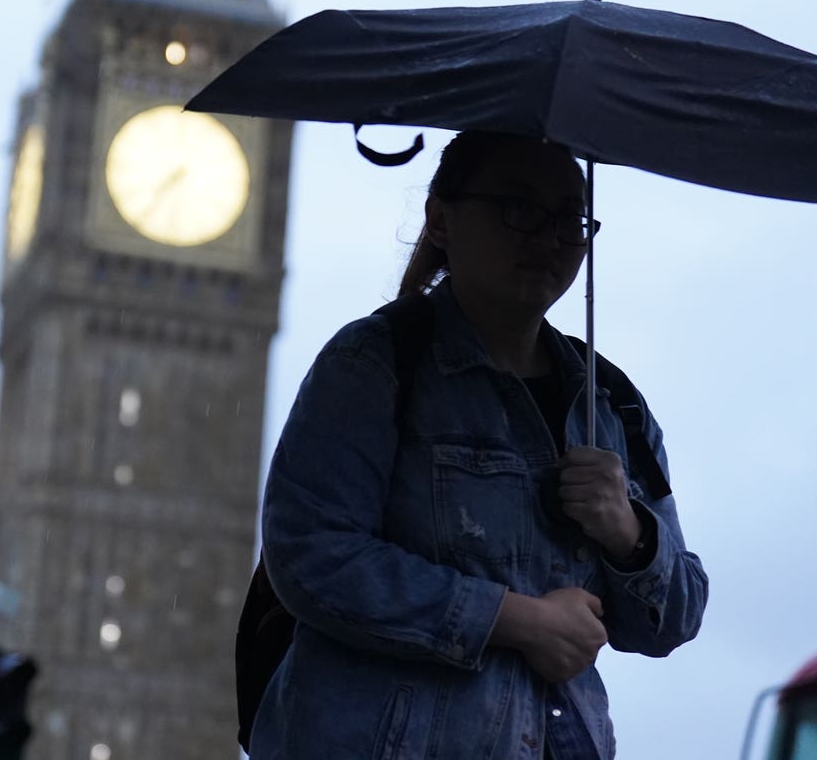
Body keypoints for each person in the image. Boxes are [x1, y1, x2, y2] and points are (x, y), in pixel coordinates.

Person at [251, 131, 708, 759]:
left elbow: (676, 616)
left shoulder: (612, 405)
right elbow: (311, 554)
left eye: (569, 221)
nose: (548, 240)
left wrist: (627, 531)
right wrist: (516, 620)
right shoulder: (373, 364)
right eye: (519, 210)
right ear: (441, 218)